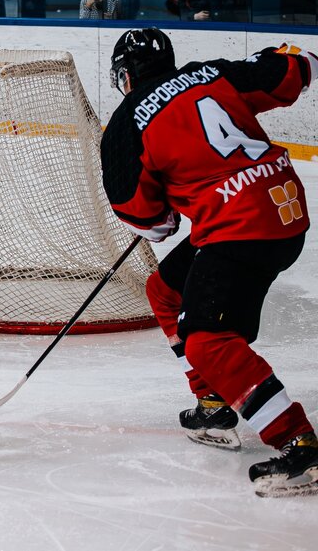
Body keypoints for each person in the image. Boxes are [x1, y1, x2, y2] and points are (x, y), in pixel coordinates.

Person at [100, 28, 318, 497]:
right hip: (285, 209)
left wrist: (171, 207)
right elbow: (302, 68)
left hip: (241, 229)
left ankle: (299, 444)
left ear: (124, 76)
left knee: (206, 341)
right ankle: (213, 401)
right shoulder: (211, 74)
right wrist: (281, 55)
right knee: (164, 290)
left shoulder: (125, 126)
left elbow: (150, 222)